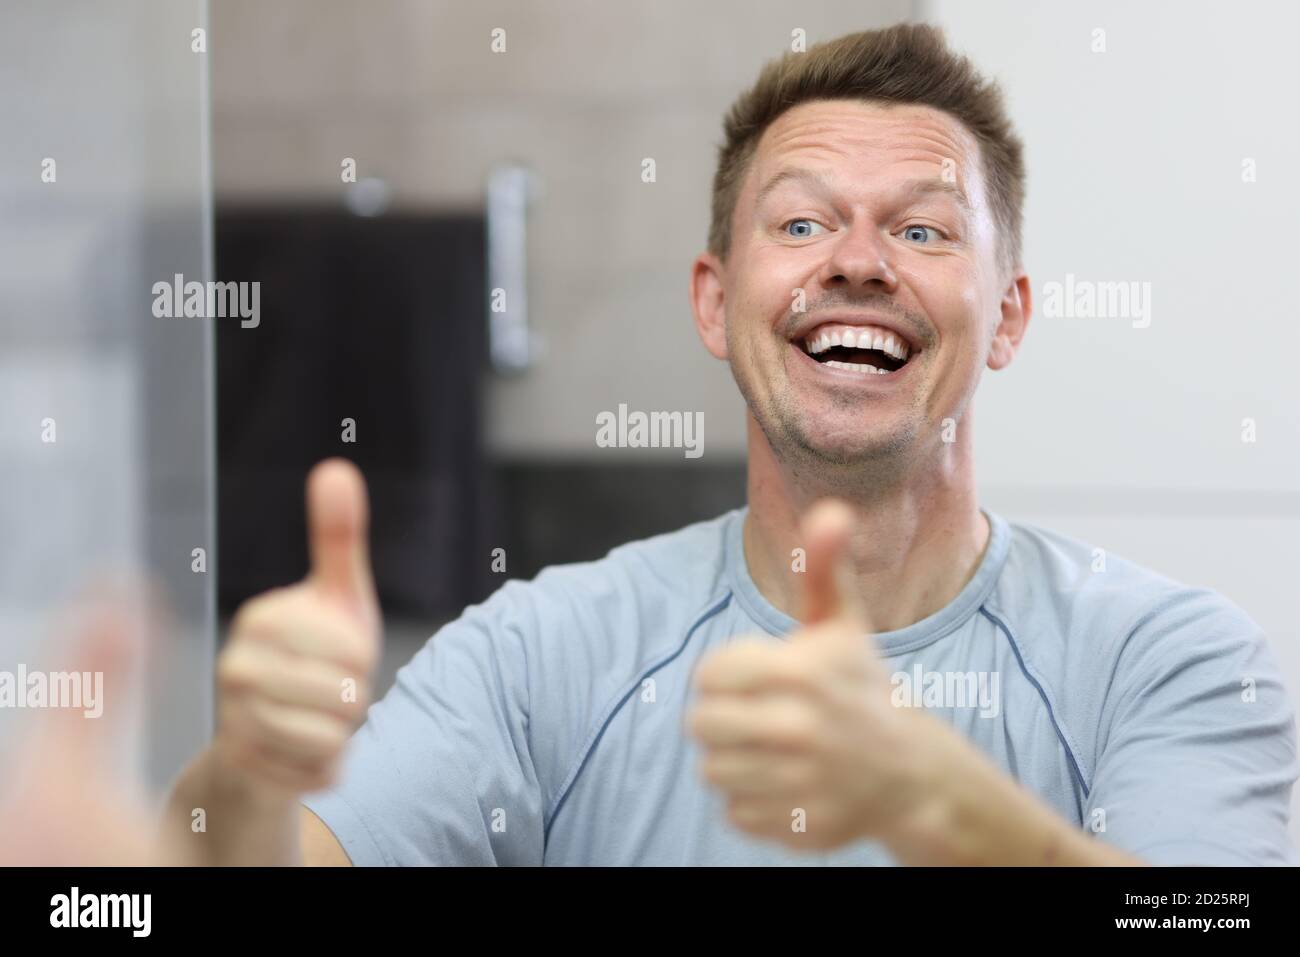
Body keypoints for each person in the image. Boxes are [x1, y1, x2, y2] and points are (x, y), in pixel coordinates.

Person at [165, 23, 1298, 866]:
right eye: (801, 221)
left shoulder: (1171, 661)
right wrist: (244, 778)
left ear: (1004, 315)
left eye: (921, 229)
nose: (856, 260)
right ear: (715, 303)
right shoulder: (538, 659)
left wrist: (937, 808)